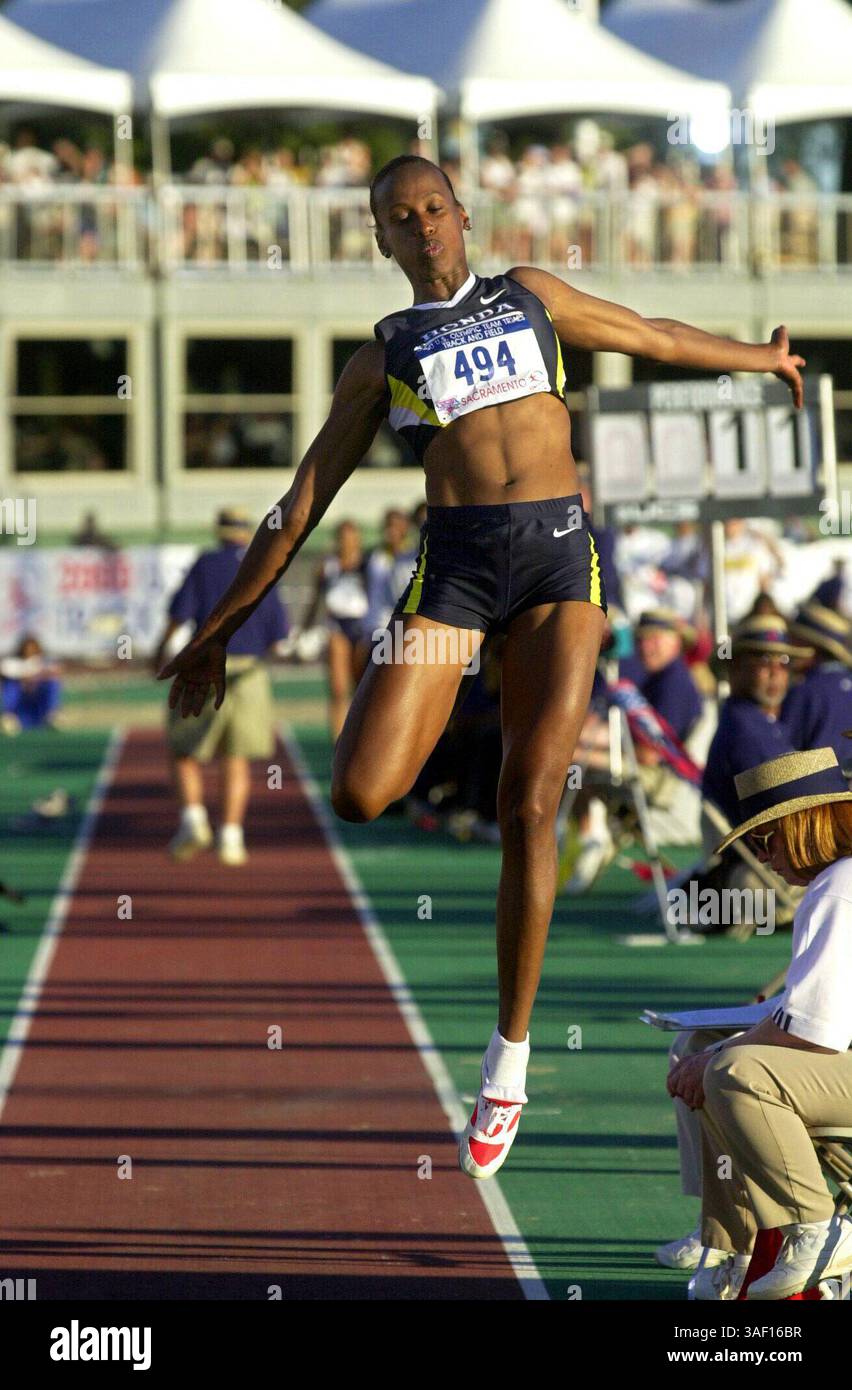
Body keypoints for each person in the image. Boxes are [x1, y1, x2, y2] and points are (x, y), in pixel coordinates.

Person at [158, 153, 806, 1181]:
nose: (422, 228)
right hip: (454, 572)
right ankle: (500, 1026)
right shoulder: (383, 355)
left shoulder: (534, 298)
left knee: (532, 794)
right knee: (363, 788)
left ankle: (508, 1057)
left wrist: (759, 358)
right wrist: (221, 626)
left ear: (462, 214)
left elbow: (649, 334)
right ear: (380, 240)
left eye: (433, 209)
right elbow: (300, 502)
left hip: (558, 557)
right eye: (399, 220)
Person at [667, 746, 852, 1300]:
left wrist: (719, 1057)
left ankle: (816, 1228)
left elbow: (815, 1032)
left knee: (732, 1069)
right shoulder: (838, 880)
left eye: (764, 839)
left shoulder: (839, 885)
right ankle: (734, 1243)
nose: (763, 858)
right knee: (702, 1047)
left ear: (804, 825)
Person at [152, 508, 289, 866]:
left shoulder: (205, 563)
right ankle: (231, 836)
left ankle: (193, 819)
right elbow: (279, 636)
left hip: (206, 667)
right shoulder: (264, 563)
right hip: (252, 672)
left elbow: (179, 613)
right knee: (236, 756)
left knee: (182, 749)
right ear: (246, 533)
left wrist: (159, 652)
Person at [300, 519, 370, 739]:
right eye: (343, 538)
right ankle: (338, 743)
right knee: (338, 690)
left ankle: (362, 739)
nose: (347, 543)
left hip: (363, 626)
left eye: (351, 538)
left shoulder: (368, 564)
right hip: (337, 625)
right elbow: (315, 599)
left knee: (363, 689)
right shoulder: (327, 566)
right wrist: (305, 627)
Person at [782, 602, 852, 771]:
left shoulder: (805, 692)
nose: (788, 648)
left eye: (794, 641)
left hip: (821, 791)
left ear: (812, 647)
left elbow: (784, 756)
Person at [0, 635, 62, 732]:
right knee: (11, 684)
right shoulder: (14, 662)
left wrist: (36, 677)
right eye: (27, 648)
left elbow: (55, 671)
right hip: (20, 704)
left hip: (38, 702)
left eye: (32, 648)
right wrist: (23, 677)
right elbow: (5, 670)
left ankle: (51, 715)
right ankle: (9, 717)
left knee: (52, 683)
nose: (29, 651)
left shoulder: (44, 662)